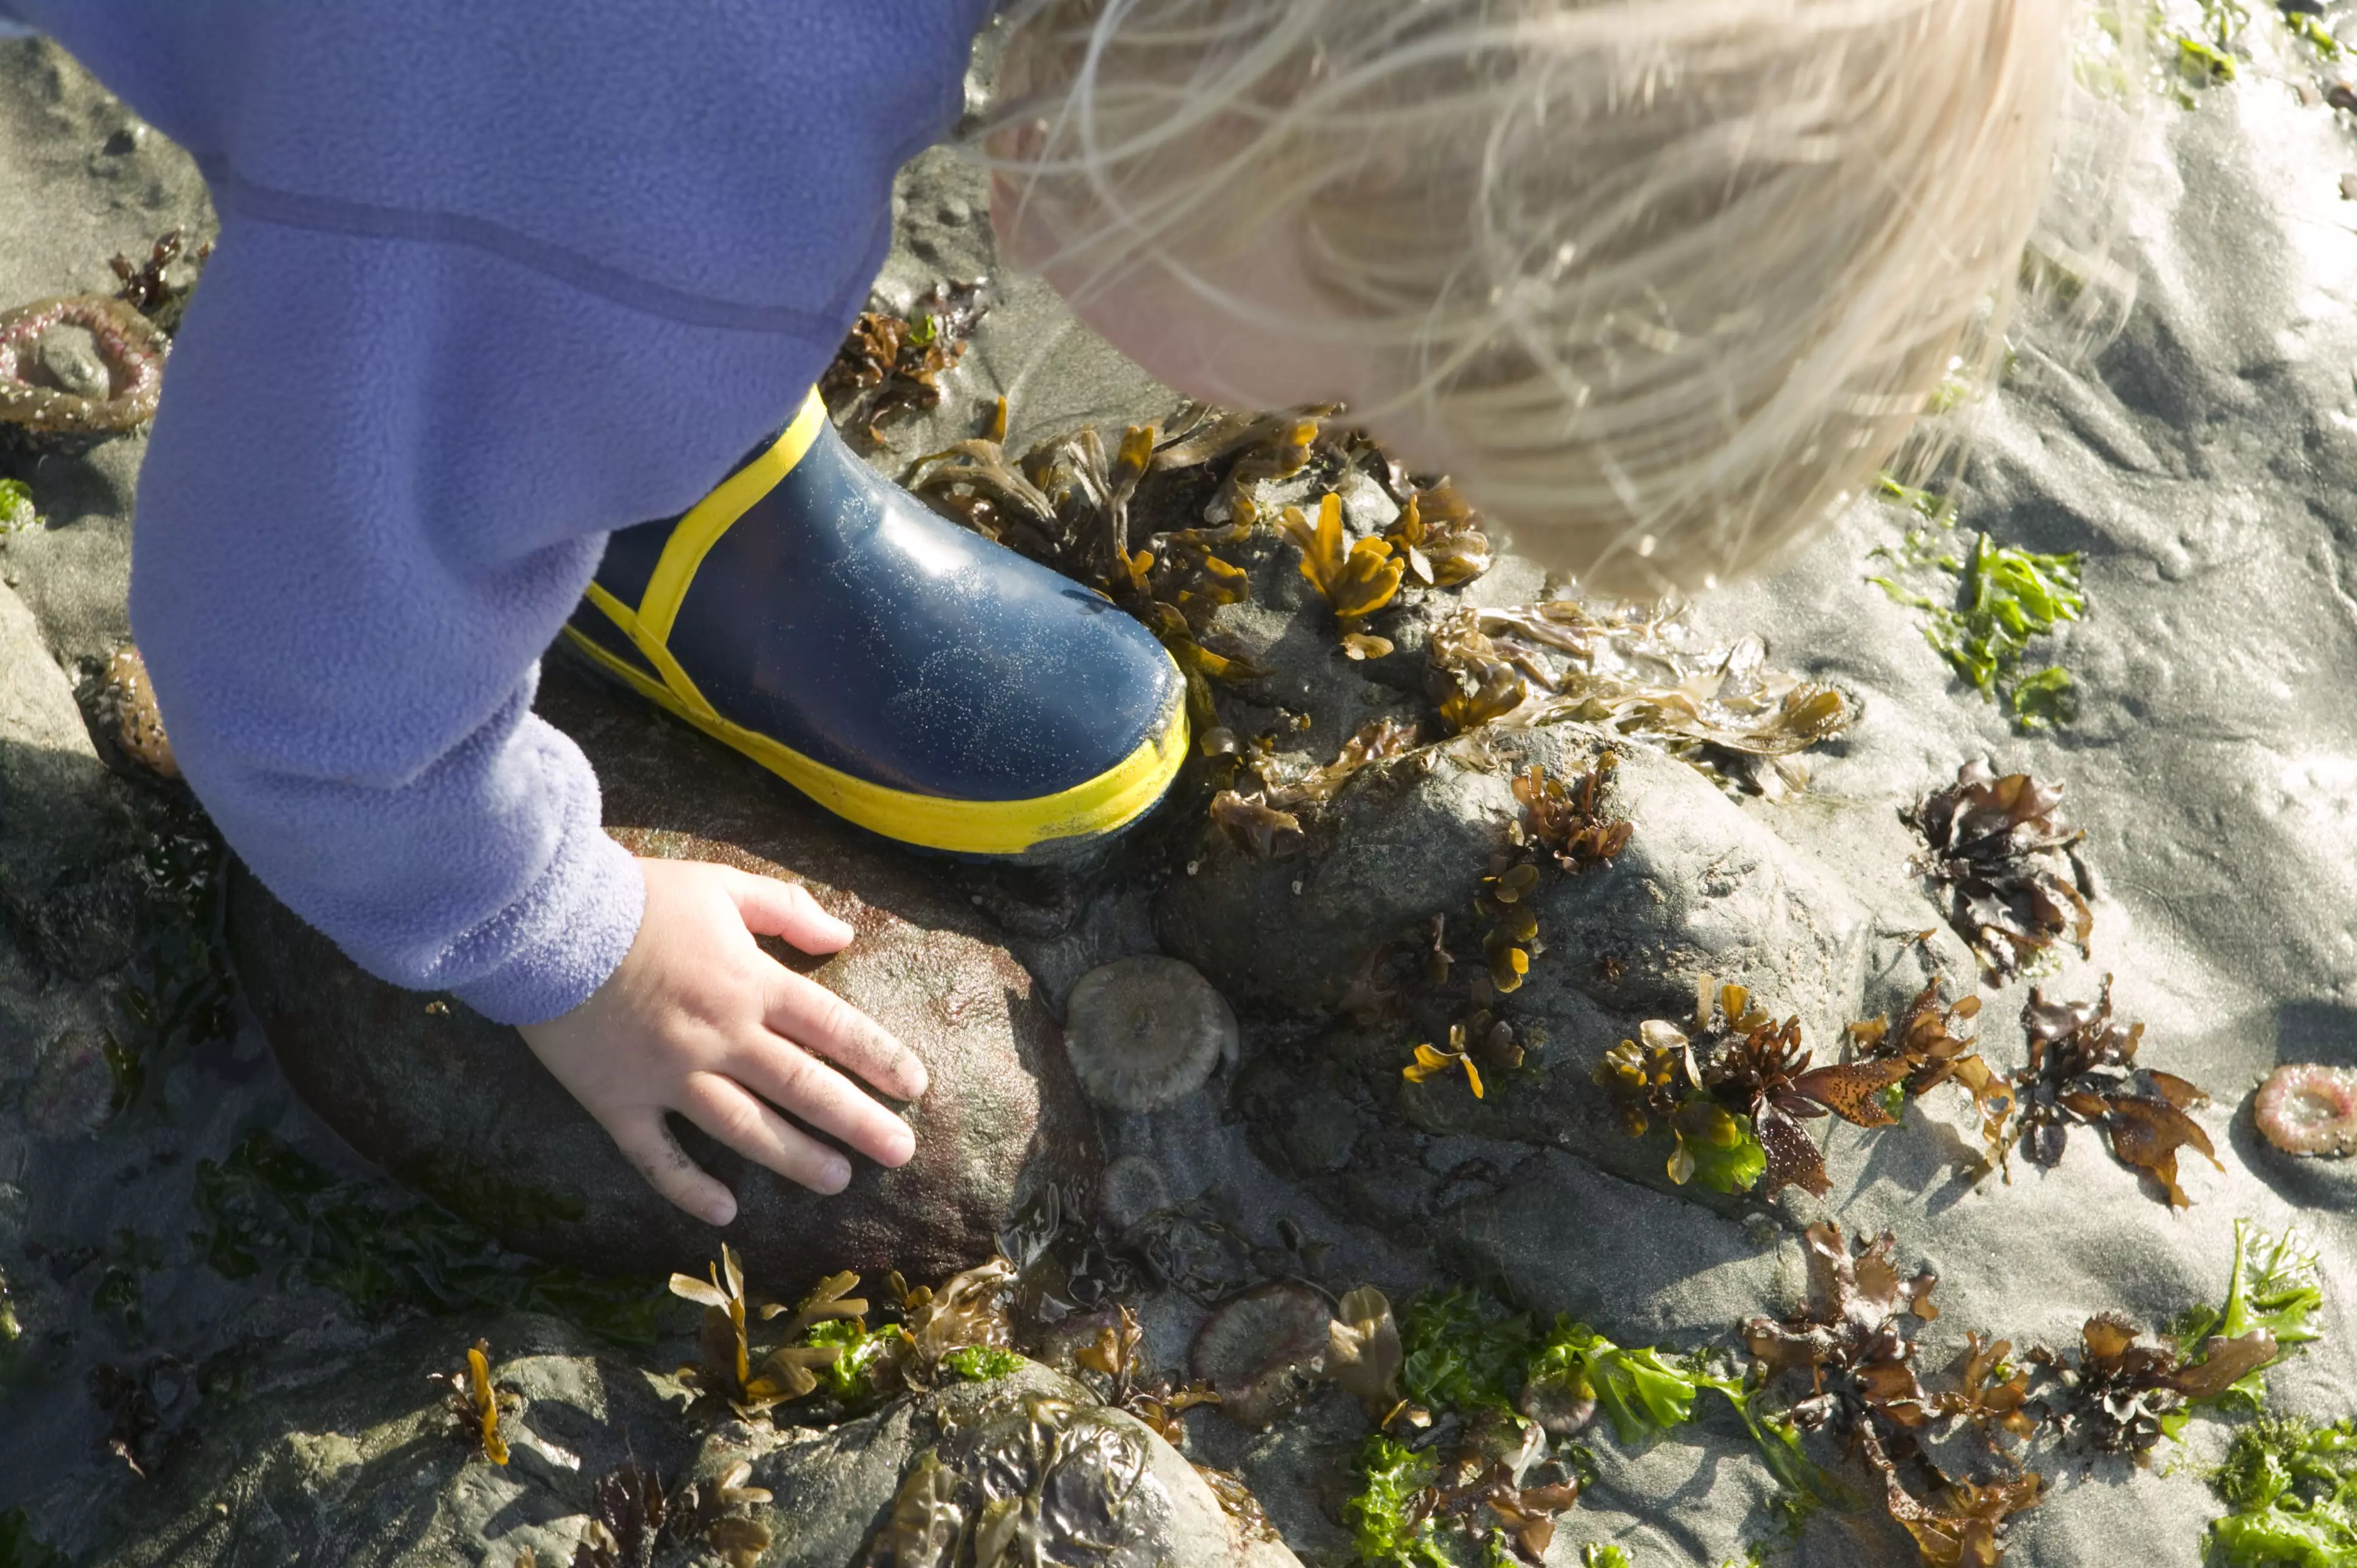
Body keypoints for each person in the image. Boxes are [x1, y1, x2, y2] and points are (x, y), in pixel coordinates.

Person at [0, 0, 2078, 1226]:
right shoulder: (637, 175)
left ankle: (606, 447)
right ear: (1254, 113)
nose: (1310, 417)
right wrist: (550, 929)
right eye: (1359, 367)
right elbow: (292, 668)